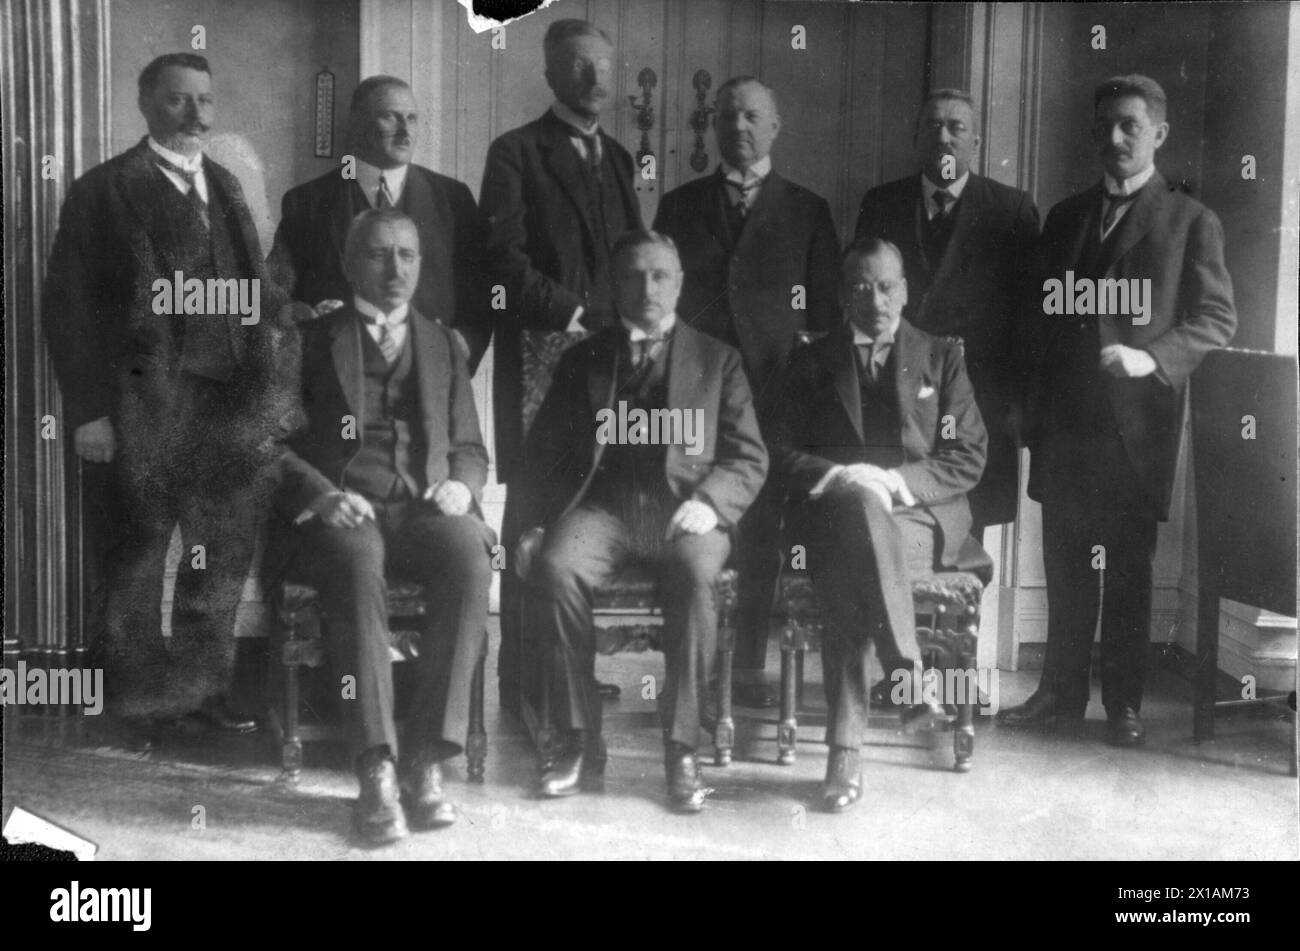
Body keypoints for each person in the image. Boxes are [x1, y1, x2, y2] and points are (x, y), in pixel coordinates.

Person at [41, 52, 299, 751]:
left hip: (227, 406)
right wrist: (90, 410)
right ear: (145, 103)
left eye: (204, 101)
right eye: (179, 100)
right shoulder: (105, 190)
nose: (196, 114)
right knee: (136, 554)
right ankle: (135, 704)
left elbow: (249, 288)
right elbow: (66, 308)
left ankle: (199, 691)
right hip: (141, 409)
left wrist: (291, 312)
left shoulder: (224, 183)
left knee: (219, 557)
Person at [1002, 75, 1236, 746]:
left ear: (1158, 133)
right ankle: (1058, 693)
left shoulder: (1191, 220)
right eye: (1104, 125)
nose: (1114, 138)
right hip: (1066, 425)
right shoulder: (1067, 216)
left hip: (1135, 430)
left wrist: (1153, 358)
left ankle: (1124, 704)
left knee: (1127, 570)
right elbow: (1037, 317)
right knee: (1067, 564)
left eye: (1130, 125)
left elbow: (1216, 317)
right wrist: (1025, 404)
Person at [267, 209, 495, 844]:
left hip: (421, 509)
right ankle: (376, 767)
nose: (395, 269)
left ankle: (426, 757)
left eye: (407, 256)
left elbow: (471, 449)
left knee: (472, 553)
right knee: (357, 560)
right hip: (344, 510)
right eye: (378, 255)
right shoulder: (311, 341)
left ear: (421, 264)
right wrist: (321, 493)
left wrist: (463, 484)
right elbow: (265, 442)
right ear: (349, 263)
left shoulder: (443, 342)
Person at [522, 230, 767, 813]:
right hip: (603, 508)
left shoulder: (717, 359)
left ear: (679, 284)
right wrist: (535, 525)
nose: (647, 287)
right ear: (613, 284)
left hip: (684, 509)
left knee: (694, 573)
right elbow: (546, 455)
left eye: (660, 275)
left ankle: (682, 749)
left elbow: (749, 456)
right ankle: (582, 741)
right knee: (556, 570)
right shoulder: (583, 358)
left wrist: (711, 502)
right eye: (633, 275)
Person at [769, 236, 989, 812]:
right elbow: (781, 452)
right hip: (837, 512)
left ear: (905, 290)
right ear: (844, 295)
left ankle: (845, 755)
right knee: (856, 529)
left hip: (918, 520)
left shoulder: (941, 356)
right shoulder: (813, 358)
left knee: (852, 556)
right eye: (862, 287)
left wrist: (897, 482)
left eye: (887, 285)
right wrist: (843, 477)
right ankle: (908, 682)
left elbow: (966, 455)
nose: (877, 298)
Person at [654, 76, 841, 708]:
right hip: (694, 394)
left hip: (776, 392)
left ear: (775, 127)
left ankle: (746, 669)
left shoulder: (809, 211)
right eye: (729, 116)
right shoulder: (678, 207)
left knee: (762, 528)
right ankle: (693, 665)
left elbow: (822, 318)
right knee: (693, 515)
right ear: (714, 126)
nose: (739, 127)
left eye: (753, 116)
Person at [479, 17, 642, 711]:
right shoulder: (516, 152)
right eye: (578, 67)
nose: (594, 79)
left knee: (591, 499)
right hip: (546, 351)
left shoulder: (620, 159)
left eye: (603, 67)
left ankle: (572, 667)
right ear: (550, 75)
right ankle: (521, 680)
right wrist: (571, 311)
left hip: (609, 359)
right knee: (534, 509)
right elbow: (501, 256)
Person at [855, 88, 1039, 537]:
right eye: (933, 126)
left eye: (956, 127)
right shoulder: (882, 203)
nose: (944, 136)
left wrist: (1020, 401)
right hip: (896, 393)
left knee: (967, 524)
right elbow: (858, 303)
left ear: (975, 142)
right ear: (917, 138)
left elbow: (1030, 317)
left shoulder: (1011, 210)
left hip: (979, 395)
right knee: (892, 513)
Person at [267, 75, 491, 366]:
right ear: (358, 123)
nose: (405, 131)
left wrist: (466, 344)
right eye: (390, 117)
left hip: (430, 378)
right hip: (334, 381)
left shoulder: (453, 199)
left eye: (411, 118)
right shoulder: (307, 202)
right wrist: (294, 315)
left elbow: (482, 289)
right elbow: (274, 291)